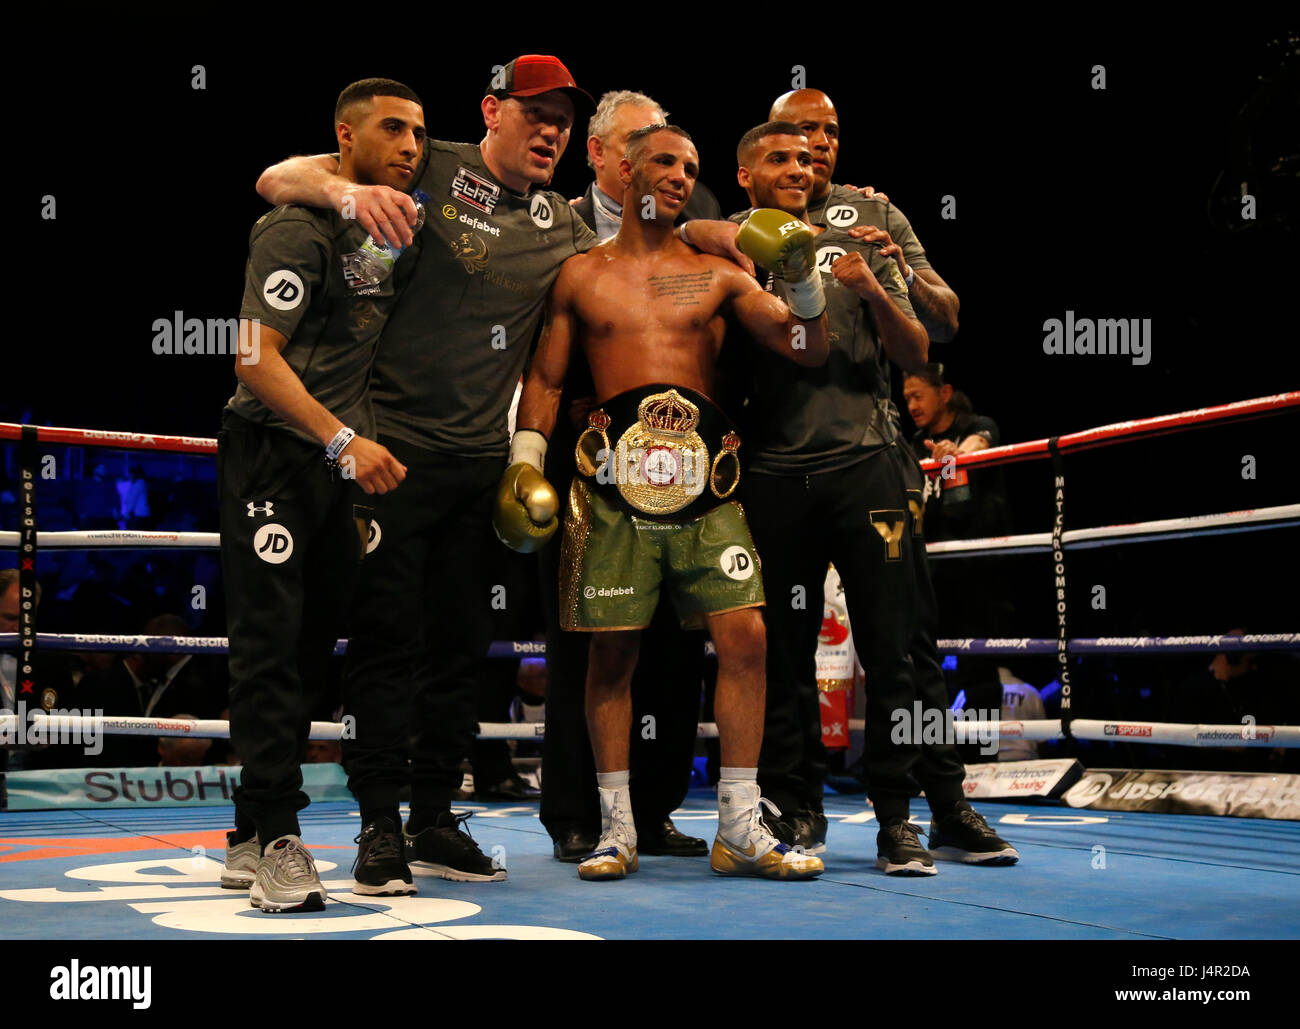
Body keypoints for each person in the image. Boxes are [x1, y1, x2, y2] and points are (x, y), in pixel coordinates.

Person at [255, 57, 756, 889]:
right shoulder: (430, 164)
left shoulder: (561, 223)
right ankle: (376, 824)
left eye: (563, 119)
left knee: (460, 649)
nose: (551, 130)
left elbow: (644, 247)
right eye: (535, 114)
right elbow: (278, 177)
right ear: (492, 112)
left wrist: (717, 232)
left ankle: (432, 818)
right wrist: (345, 193)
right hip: (387, 454)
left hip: (482, 465)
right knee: (385, 644)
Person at [497, 124, 829, 881]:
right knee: (611, 650)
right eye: (665, 162)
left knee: (746, 636)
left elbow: (808, 348)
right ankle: (616, 830)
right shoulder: (580, 274)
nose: (680, 175)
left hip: (707, 488)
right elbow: (546, 378)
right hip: (613, 486)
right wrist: (524, 463)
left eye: (691, 166)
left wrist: (804, 282)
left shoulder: (718, 275)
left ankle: (739, 826)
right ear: (625, 171)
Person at [754, 92, 1019, 870]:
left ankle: (928, 809)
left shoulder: (873, 217)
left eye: (830, 133)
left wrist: (882, 276)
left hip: (868, 458)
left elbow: (939, 327)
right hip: (774, 468)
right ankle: (795, 806)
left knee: (903, 647)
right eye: (800, 134)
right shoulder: (738, 231)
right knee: (782, 651)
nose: (817, 146)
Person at [219, 78, 415, 912]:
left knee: (307, 650)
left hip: (339, 465)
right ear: (345, 136)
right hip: (273, 453)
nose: (410, 146)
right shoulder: (295, 227)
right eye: (392, 129)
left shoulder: (398, 222)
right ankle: (279, 840)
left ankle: (248, 828)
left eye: (419, 133)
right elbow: (252, 357)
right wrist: (341, 439)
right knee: (268, 646)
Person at [543, 89, 719, 862]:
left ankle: (654, 807)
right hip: (585, 457)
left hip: (681, 459)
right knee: (585, 636)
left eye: (667, 146)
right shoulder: (554, 225)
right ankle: (576, 811)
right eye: (637, 143)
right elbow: (535, 346)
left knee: (677, 640)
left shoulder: (699, 222)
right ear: (599, 154)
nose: (658, 160)